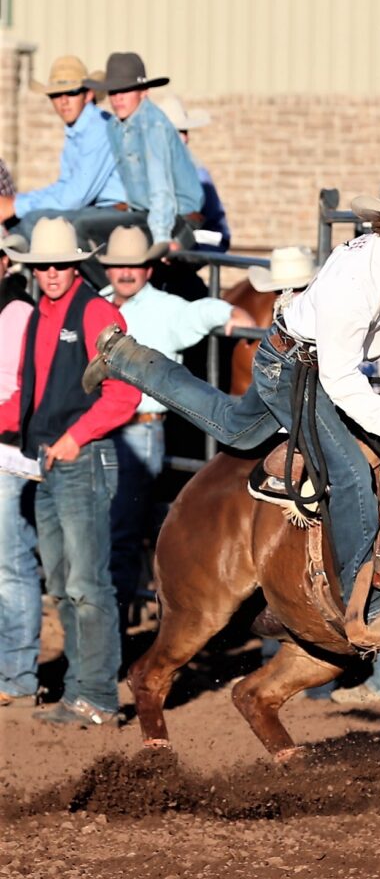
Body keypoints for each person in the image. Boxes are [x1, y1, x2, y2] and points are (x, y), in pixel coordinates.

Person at [83, 167, 380, 637]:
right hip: (294, 366)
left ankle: (126, 357)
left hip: (303, 361)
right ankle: (367, 603)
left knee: (236, 428)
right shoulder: (356, 278)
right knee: (352, 472)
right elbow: (339, 377)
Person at [0, 218, 141, 726]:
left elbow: (124, 393)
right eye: (43, 266)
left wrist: (73, 438)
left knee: (85, 582)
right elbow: (28, 396)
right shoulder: (42, 313)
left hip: (79, 461)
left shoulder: (96, 311)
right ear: (34, 270)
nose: (52, 272)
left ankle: (98, 696)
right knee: (61, 584)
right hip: (50, 461)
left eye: (60, 264)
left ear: (75, 264)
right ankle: (81, 691)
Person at [98, 225, 254, 632]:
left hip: (138, 430)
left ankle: (117, 633)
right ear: (109, 270)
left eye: (134, 265)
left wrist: (233, 315)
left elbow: (202, 312)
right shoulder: (97, 305)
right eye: (118, 266)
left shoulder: (166, 307)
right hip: (98, 430)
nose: (127, 273)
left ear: (148, 269)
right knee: (112, 531)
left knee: (121, 533)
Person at [0, 56, 133, 278]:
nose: (63, 101)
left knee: (41, 224)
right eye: (56, 94)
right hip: (99, 210)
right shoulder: (78, 130)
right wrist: (18, 203)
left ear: (88, 94)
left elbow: (74, 196)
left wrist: (17, 204)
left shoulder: (99, 128)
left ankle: (104, 290)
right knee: (29, 222)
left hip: (119, 211)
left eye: (71, 93)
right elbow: (65, 186)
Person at [84, 53, 204, 256]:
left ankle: (108, 286)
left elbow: (161, 188)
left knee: (84, 228)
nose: (118, 98)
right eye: (113, 91)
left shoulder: (153, 125)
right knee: (86, 224)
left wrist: (161, 240)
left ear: (143, 92)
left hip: (179, 219)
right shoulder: (115, 127)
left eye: (125, 90)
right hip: (144, 214)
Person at [0, 234, 41, 707]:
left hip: (8, 448)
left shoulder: (19, 312)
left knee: (11, 562)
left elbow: (24, 389)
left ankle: (18, 673)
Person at [153, 93, 232, 253]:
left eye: (184, 131)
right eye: (176, 132)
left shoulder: (199, 175)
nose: (184, 138)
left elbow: (218, 235)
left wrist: (186, 246)